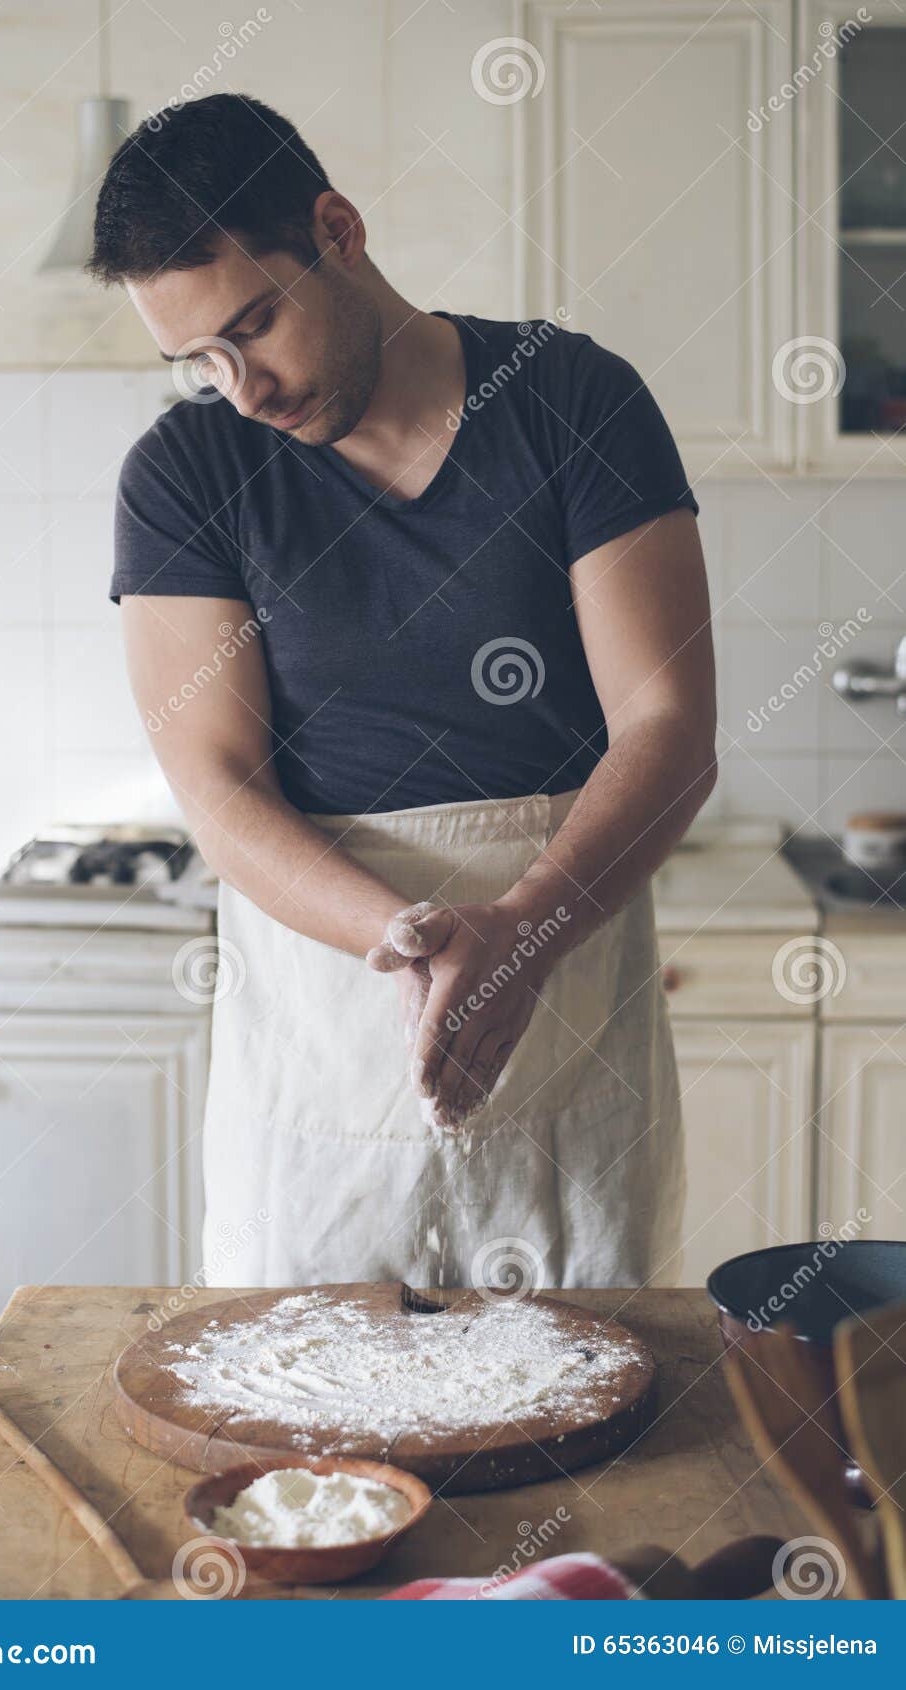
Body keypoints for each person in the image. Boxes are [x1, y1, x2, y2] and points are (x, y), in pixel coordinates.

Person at [88, 92, 717, 1292]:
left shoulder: (568, 400)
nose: (242, 388)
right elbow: (215, 785)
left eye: (253, 325)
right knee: (317, 1446)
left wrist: (520, 933)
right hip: (325, 1014)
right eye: (196, 363)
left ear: (336, 228)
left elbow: (667, 732)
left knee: (584, 1426)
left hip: (568, 994)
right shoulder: (186, 472)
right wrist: (403, 937)